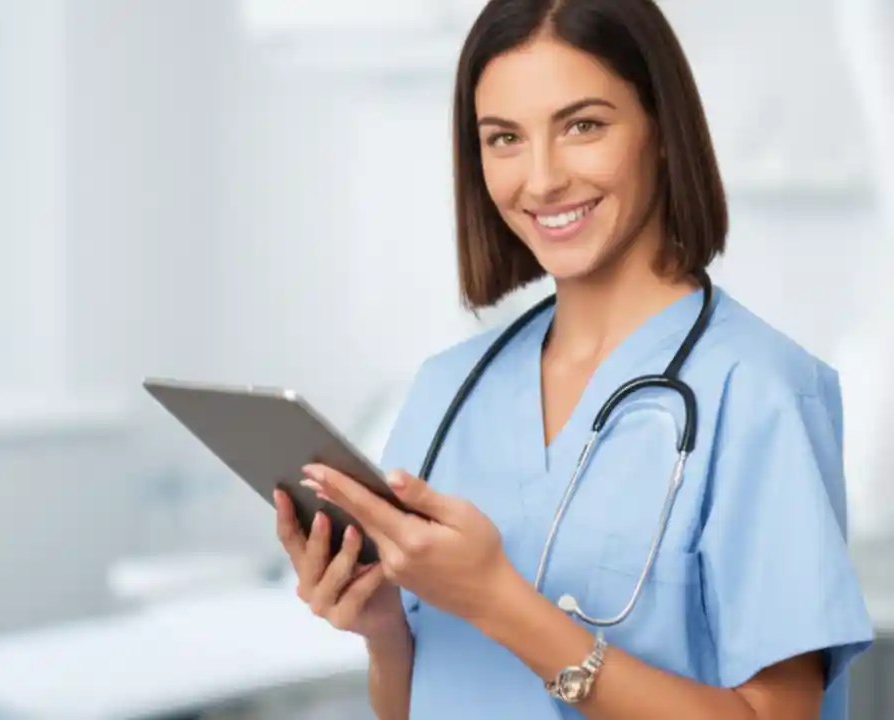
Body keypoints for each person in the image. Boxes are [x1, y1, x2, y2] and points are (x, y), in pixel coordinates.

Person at [270, 0, 875, 718]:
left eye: (582, 126)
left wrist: (498, 602)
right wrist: (383, 632)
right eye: (504, 139)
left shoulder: (759, 392)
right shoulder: (448, 390)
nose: (543, 178)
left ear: (660, 131)